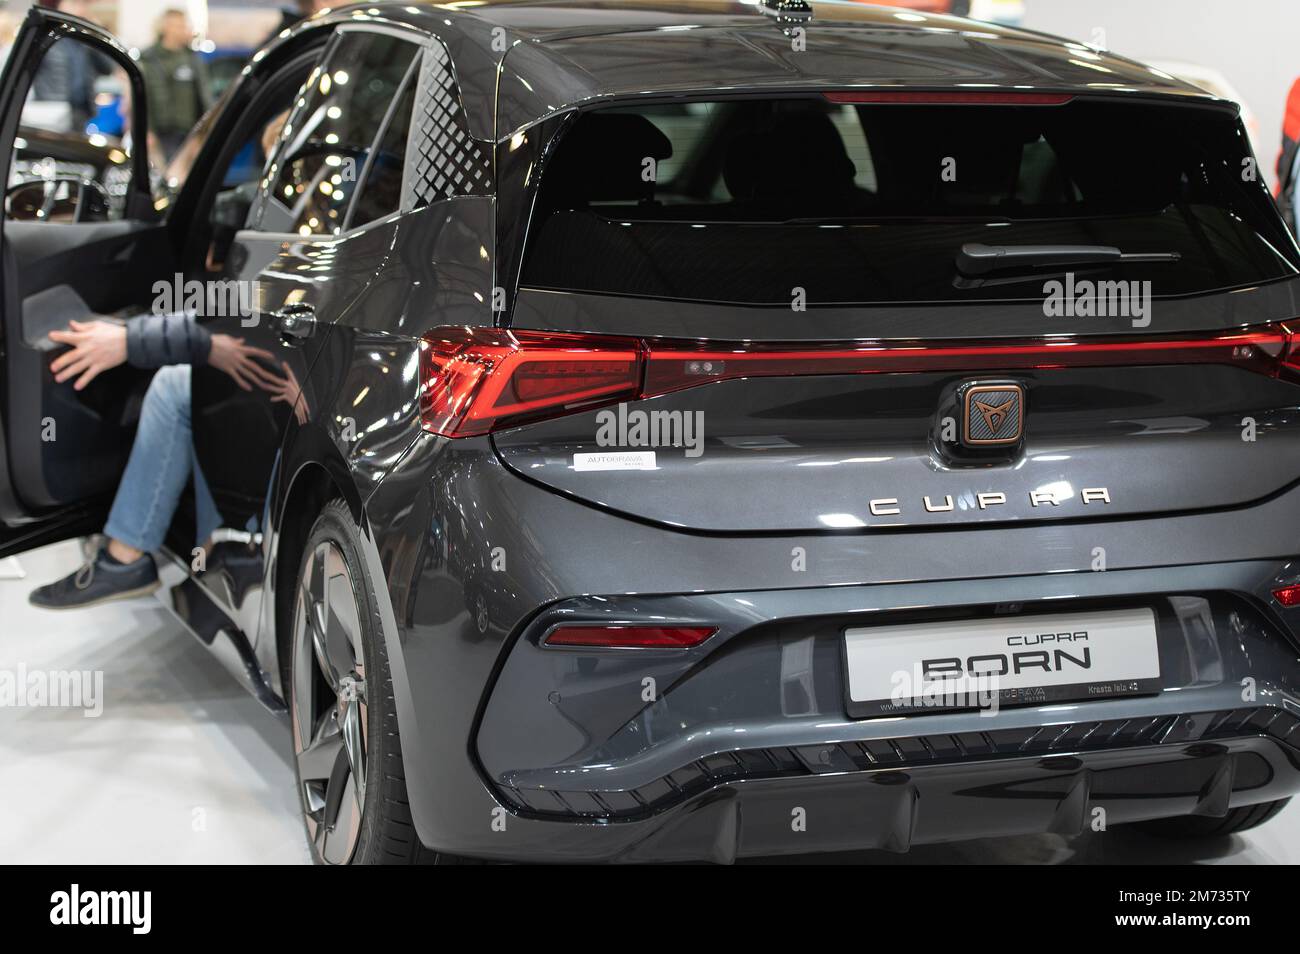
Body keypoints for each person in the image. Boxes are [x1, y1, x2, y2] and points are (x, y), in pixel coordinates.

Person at [27, 312, 296, 609]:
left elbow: (232, 308)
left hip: (289, 365)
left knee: (177, 385)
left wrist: (131, 340)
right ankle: (201, 557)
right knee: (190, 382)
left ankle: (128, 556)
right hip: (292, 356)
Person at [140, 9, 211, 160]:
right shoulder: (149, 59)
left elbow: (204, 95)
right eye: (179, 26)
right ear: (166, 28)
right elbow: (144, 97)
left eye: (184, 25)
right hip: (163, 132)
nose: (184, 30)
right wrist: (147, 130)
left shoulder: (192, 59)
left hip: (190, 132)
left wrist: (207, 127)